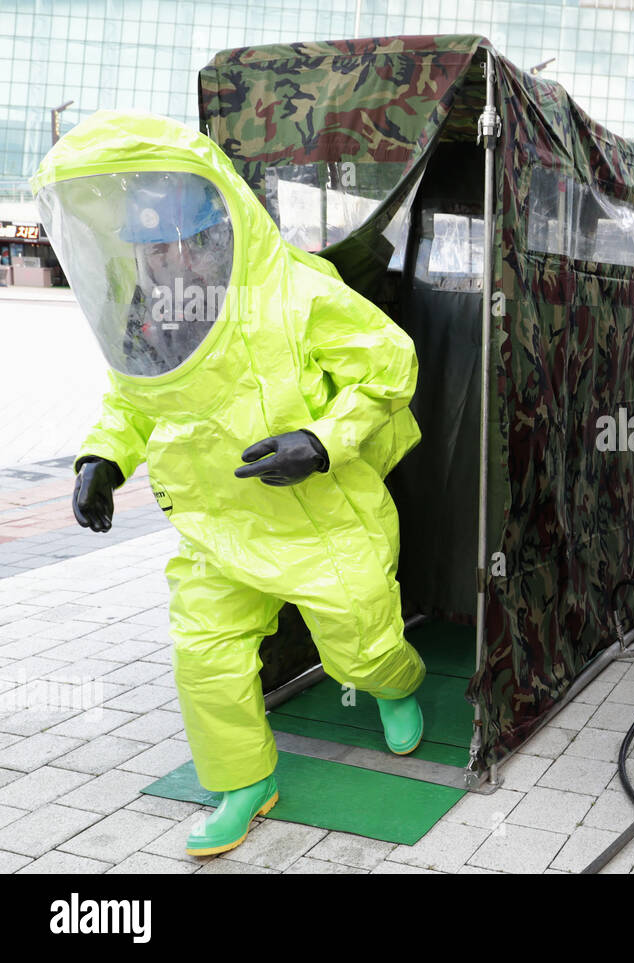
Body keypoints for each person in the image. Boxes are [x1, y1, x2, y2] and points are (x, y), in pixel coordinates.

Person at [34, 110, 427, 857]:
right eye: (153, 250)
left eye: (181, 246)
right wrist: (103, 460)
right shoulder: (151, 316)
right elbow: (131, 398)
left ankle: (393, 683)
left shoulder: (297, 291)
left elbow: (389, 365)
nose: (168, 264)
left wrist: (319, 441)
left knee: (361, 644)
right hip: (216, 525)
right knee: (204, 657)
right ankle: (243, 779)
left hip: (318, 516)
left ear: (218, 231)